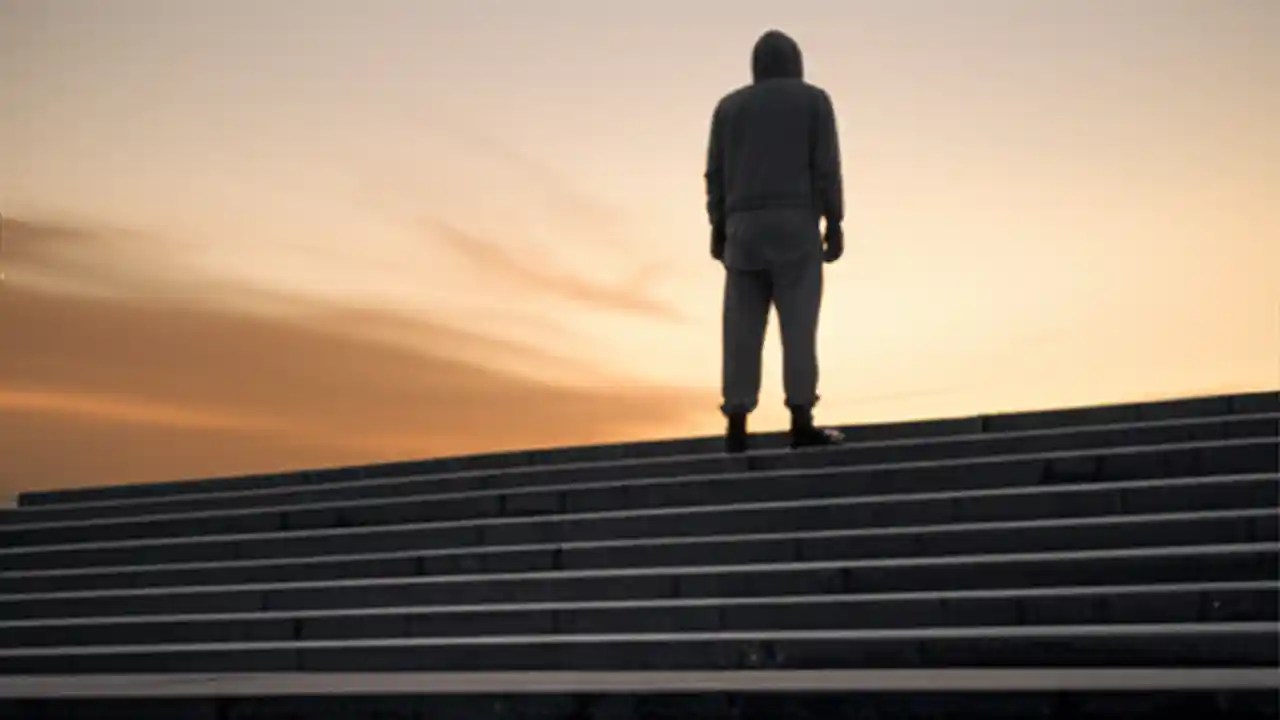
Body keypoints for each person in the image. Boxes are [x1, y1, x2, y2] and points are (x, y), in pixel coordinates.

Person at [704, 29, 846, 454]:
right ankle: (801, 419)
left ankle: (737, 422)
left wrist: (717, 225)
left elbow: (715, 174)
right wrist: (834, 221)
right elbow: (826, 167)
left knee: (740, 329)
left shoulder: (728, 108)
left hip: (743, 227)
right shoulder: (813, 101)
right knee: (799, 326)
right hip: (795, 222)